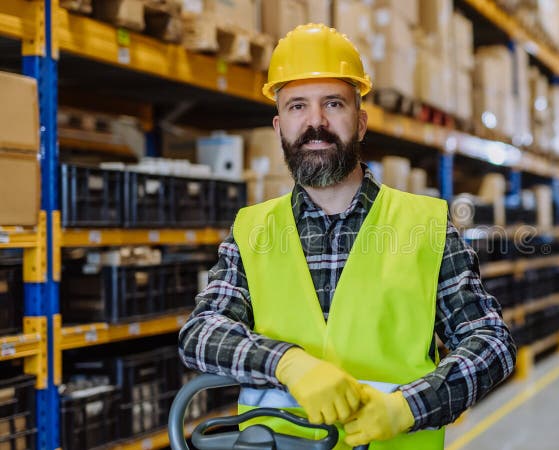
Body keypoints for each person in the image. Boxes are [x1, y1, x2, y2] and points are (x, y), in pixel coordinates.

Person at [178, 23, 516, 449]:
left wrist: (407, 407)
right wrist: (287, 363)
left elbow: (492, 343)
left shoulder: (425, 225)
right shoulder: (253, 230)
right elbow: (200, 333)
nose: (315, 123)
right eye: (298, 106)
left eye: (332, 104)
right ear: (279, 126)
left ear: (360, 122)